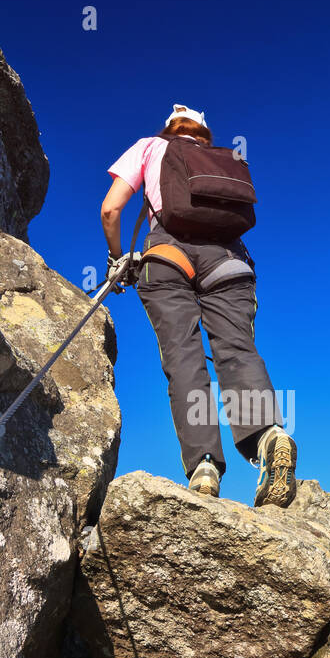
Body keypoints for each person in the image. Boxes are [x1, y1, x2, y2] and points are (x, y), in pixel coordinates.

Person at [101, 103, 296, 507]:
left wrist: (118, 257)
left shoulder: (149, 148)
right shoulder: (221, 158)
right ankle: (269, 435)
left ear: (169, 127)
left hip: (167, 258)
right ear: (203, 135)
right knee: (238, 351)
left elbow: (111, 208)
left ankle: (204, 465)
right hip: (230, 261)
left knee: (183, 358)